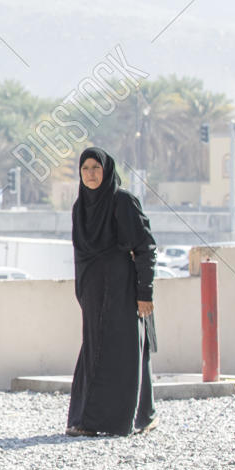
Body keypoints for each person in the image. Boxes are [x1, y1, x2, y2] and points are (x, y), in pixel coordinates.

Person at [67, 147, 157, 437]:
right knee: (96, 352)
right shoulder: (80, 207)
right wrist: (82, 293)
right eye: (85, 169)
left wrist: (145, 292)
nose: (91, 174)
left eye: (96, 168)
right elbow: (81, 255)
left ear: (106, 170)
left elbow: (145, 248)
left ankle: (124, 420)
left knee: (126, 352)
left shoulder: (123, 201)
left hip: (122, 290)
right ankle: (89, 419)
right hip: (93, 294)